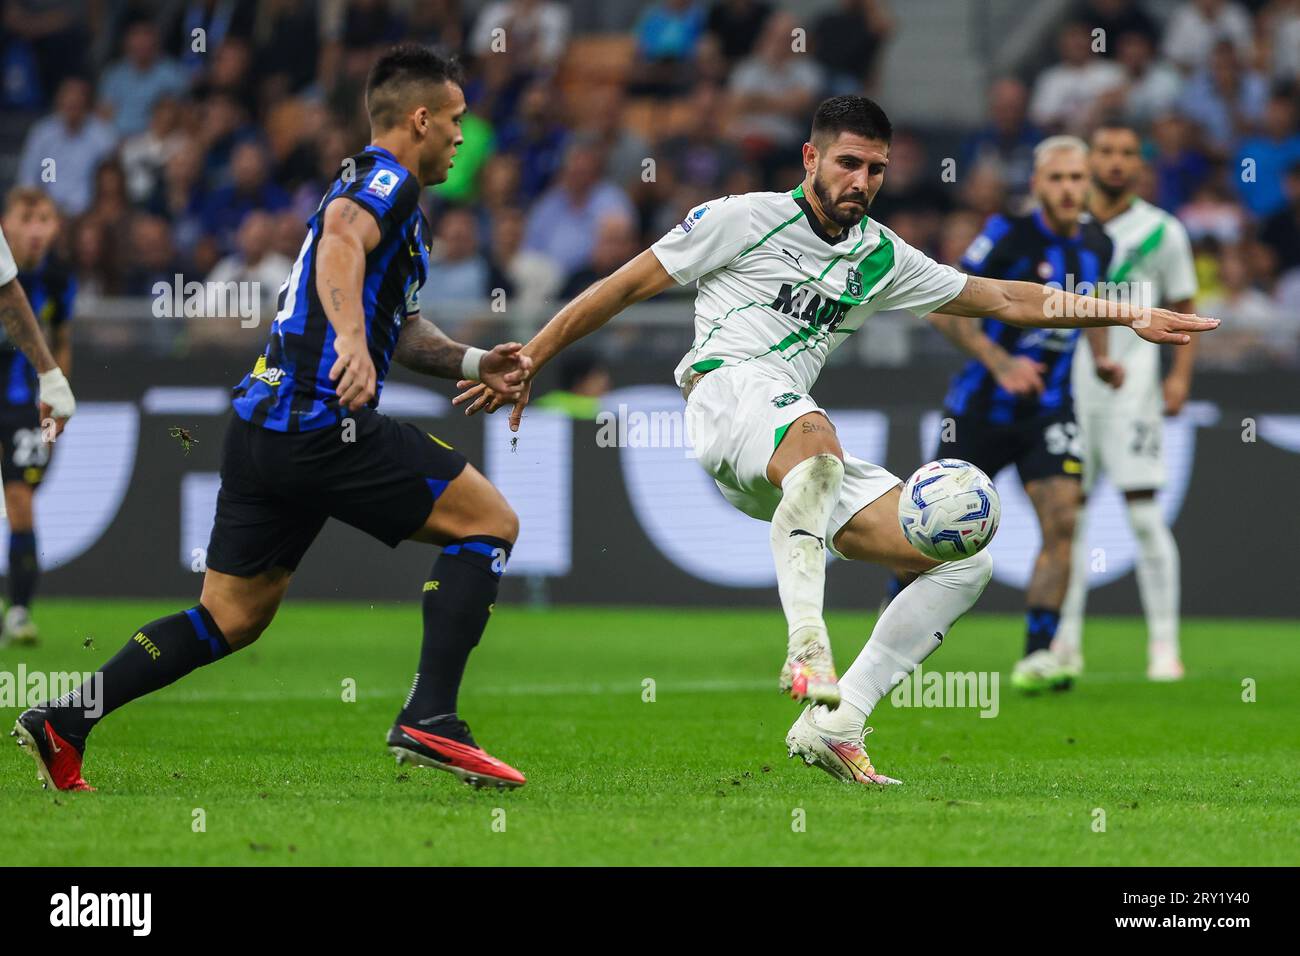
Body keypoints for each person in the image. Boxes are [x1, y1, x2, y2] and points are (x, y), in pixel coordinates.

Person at [454, 97, 1217, 785]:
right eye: (848, 162)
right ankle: (806, 646)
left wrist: (1120, 314)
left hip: (788, 453)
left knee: (962, 557)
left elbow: (1003, 297)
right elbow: (622, 286)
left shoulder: (879, 255)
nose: (862, 180)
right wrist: (533, 355)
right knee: (817, 439)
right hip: (727, 397)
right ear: (812, 159)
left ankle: (837, 721)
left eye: (877, 168)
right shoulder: (739, 217)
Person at [13, 45, 532, 794]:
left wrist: (478, 361)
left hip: (265, 431)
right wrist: (350, 342)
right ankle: (432, 716)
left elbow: (405, 329)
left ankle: (68, 718)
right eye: (454, 120)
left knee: (230, 615)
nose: (460, 135)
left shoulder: (395, 210)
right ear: (419, 118)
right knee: (489, 523)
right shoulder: (383, 181)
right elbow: (343, 245)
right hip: (324, 422)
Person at [926, 136, 1120, 694]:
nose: (1068, 189)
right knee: (926, 537)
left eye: (1077, 178)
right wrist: (999, 359)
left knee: (1063, 521)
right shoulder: (1006, 235)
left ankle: (1039, 653)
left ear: (1088, 184)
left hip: (1050, 411)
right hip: (980, 409)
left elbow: (1094, 311)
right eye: (1057, 178)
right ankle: (890, 637)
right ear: (1037, 185)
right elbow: (942, 305)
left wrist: (1103, 362)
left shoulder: (1099, 244)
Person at [1057, 121, 1200, 682]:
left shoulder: (1163, 232)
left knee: (1143, 515)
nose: (1115, 162)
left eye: (1126, 154)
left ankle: (1164, 646)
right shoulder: (1067, 225)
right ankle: (1064, 641)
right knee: (1067, 516)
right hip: (1070, 389)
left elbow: (1185, 304)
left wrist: (1180, 377)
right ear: (1091, 159)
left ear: (1140, 165)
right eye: (1106, 151)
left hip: (1133, 390)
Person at [0, 188, 74, 646]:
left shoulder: (59, 277)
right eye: (26, 218)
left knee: (21, 500)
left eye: (45, 218)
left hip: (26, 405)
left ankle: (20, 611)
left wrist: (59, 390)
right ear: (6, 223)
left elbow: (62, 336)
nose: (35, 229)